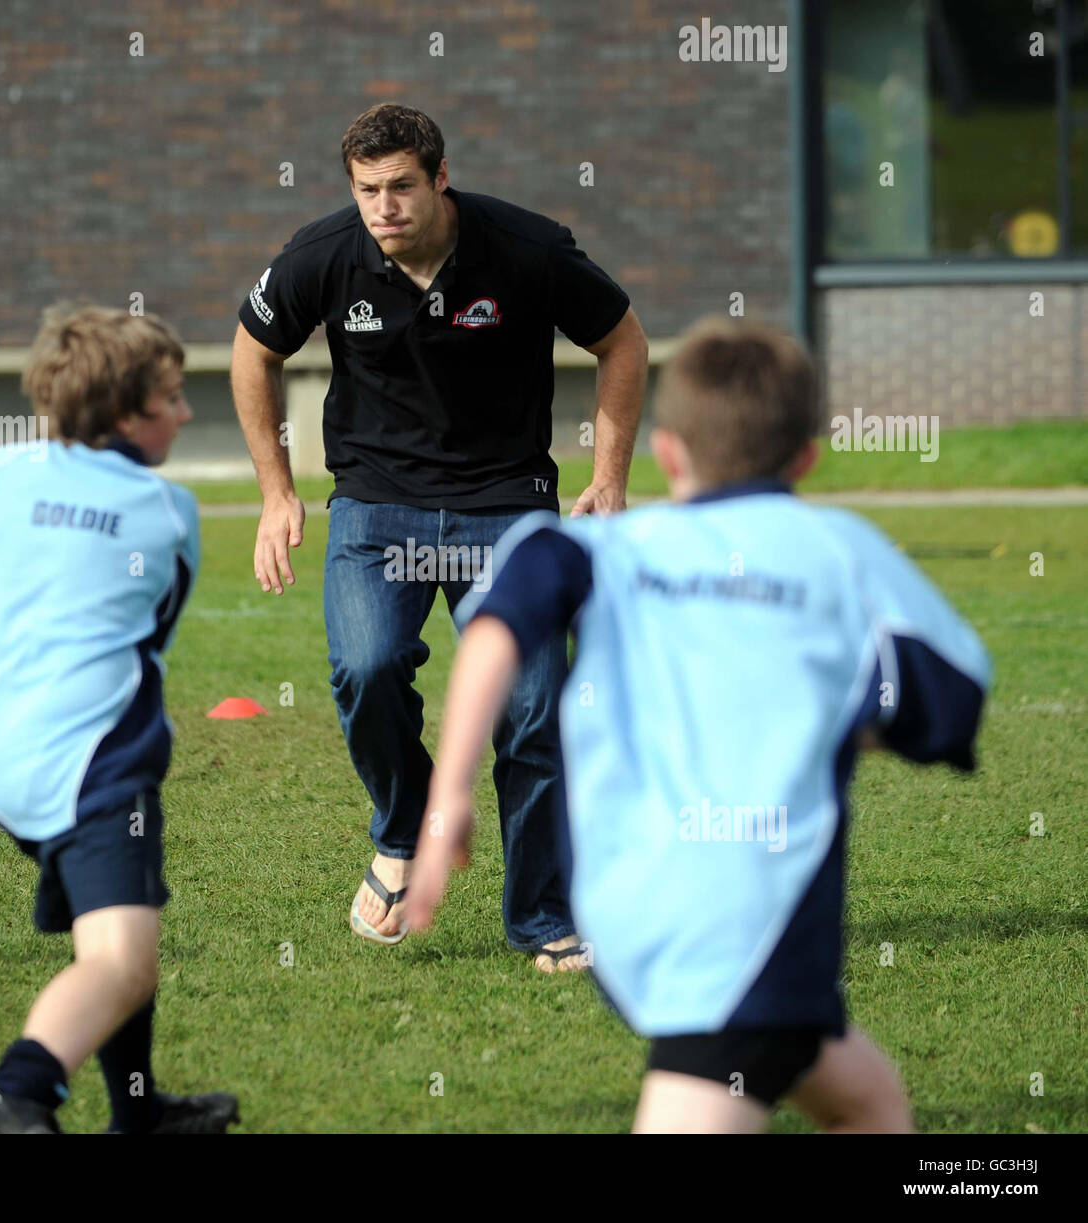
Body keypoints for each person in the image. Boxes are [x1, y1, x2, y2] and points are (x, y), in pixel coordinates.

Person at [408, 317, 992, 1132]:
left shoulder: (608, 548)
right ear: (806, 459)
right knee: (720, 1071)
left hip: (619, 903)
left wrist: (451, 796)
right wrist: (853, 710)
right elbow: (951, 696)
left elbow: (499, 621)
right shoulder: (843, 550)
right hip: (749, 910)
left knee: (865, 1099)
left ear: (669, 452)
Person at [232, 103, 648, 971]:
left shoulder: (526, 249)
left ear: (440, 178)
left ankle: (542, 915)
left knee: (534, 709)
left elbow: (622, 341)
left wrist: (607, 479)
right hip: (376, 504)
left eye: (400, 187)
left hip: (508, 506)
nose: (382, 207)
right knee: (367, 667)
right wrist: (277, 492)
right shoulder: (324, 254)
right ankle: (405, 828)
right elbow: (252, 348)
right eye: (366, 190)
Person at [0, 304, 240, 1134]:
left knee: (116, 934)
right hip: (98, 767)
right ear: (129, 414)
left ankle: (139, 1110)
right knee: (120, 959)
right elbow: (154, 627)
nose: (186, 411)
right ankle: (16, 1093)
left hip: (2, 762)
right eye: (173, 397)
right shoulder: (167, 512)